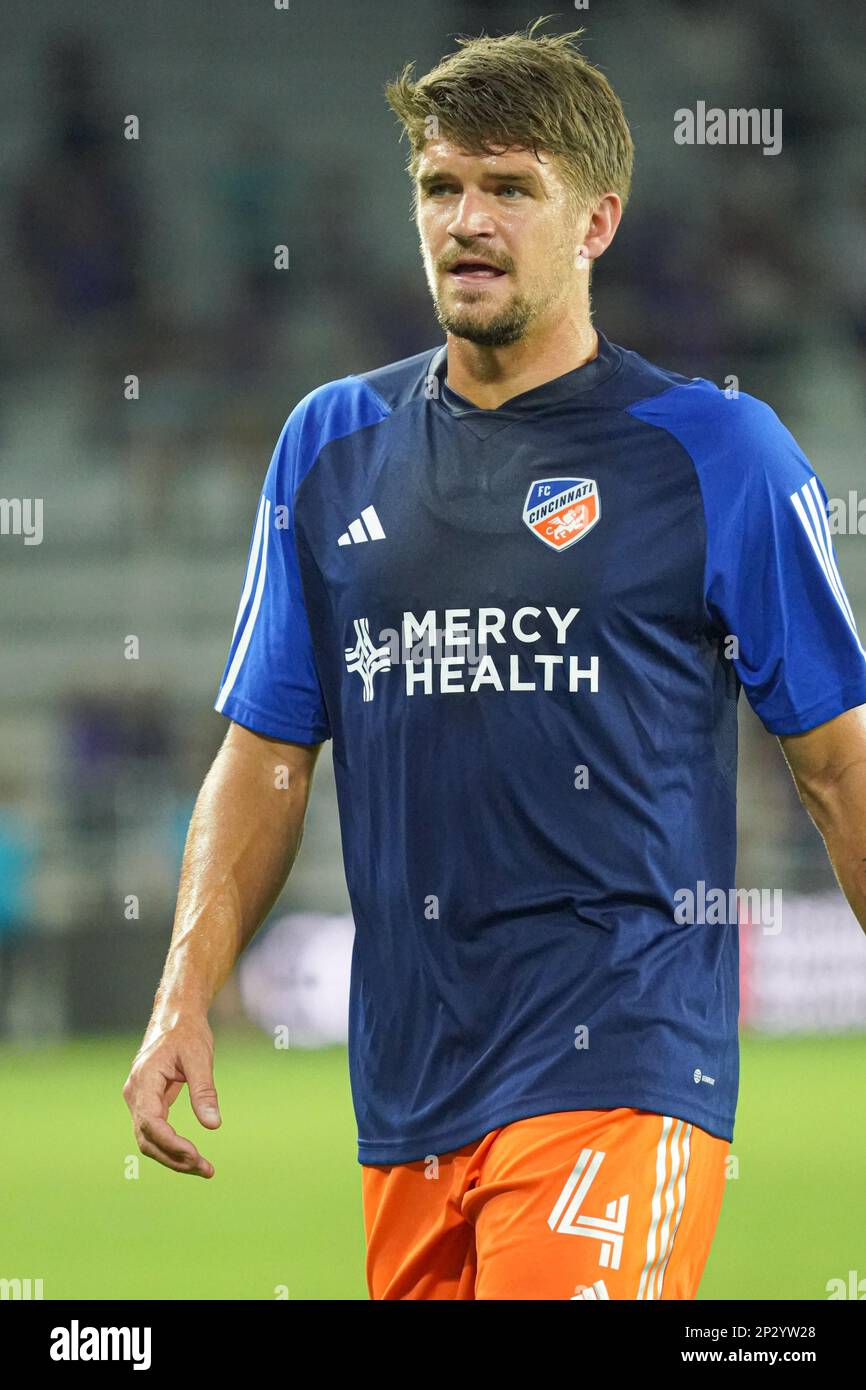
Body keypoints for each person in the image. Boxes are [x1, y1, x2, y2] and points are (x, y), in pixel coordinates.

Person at [123, 20, 866, 1300]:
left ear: (595, 222)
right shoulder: (329, 446)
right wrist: (183, 988)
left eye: (510, 188)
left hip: (621, 1065)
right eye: (440, 186)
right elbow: (266, 757)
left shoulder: (720, 455)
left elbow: (838, 766)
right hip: (410, 1089)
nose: (466, 219)